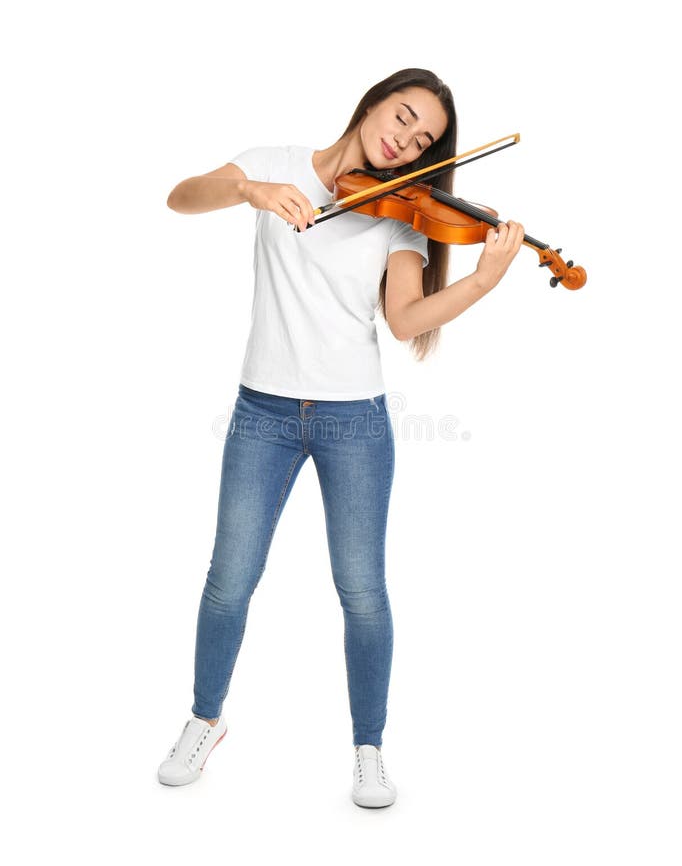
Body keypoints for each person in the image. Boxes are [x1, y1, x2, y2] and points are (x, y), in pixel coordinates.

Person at [156, 67, 524, 806]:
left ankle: (369, 748)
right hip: (262, 411)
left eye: (422, 140)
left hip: (353, 418)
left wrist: (484, 280)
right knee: (230, 577)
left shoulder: (398, 216)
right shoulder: (275, 165)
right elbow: (180, 196)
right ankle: (204, 719)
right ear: (375, 100)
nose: (404, 139)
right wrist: (249, 192)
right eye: (403, 115)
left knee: (361, 589)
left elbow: (406, 320)